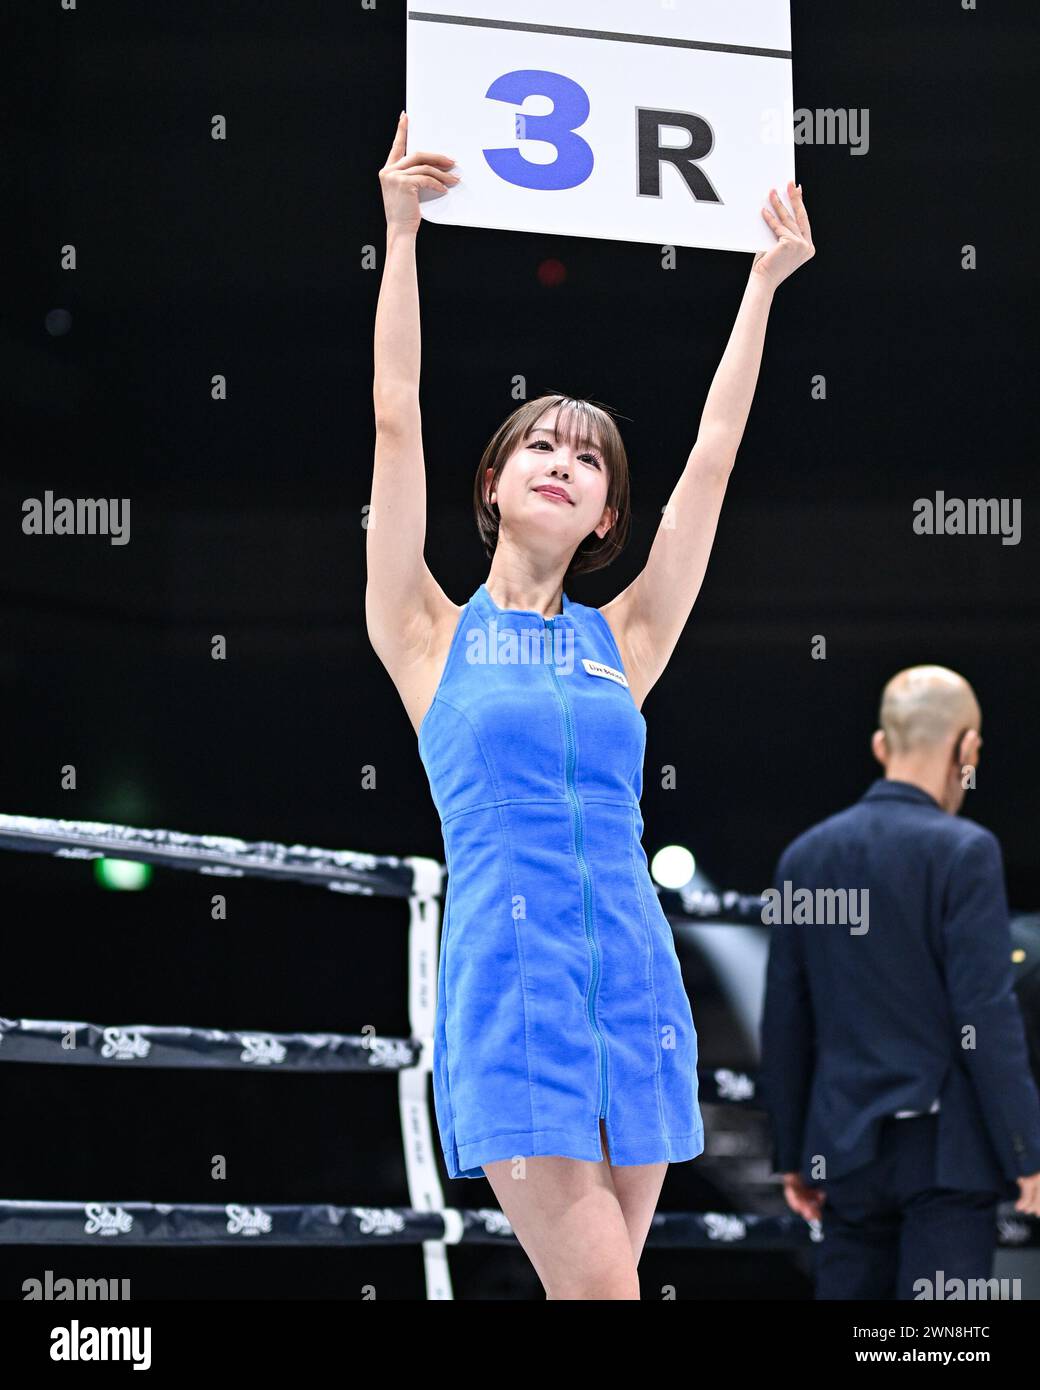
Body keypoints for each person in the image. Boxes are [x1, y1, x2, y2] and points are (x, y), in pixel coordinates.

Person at [368, 110, 815, 1300]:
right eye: (538, 447)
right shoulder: (424, 628)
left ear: (608, 513)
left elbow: (713, 459)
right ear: (494, 483)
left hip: (631, 970)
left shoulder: (625, 637)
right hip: (511, 981)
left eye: (589, 458)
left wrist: (763, 283)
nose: (563, 462)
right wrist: (401, 232)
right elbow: (396, 413)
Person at [760, 665, 1040, 1300]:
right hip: (945, 1155)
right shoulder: (965, 851)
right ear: (968, 748)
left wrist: (792, 1151)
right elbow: (985, 1015)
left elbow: (785, 1021)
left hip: (843, 1151)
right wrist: (1026, 1150)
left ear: (881, 747)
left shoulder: (805, 857)